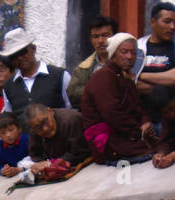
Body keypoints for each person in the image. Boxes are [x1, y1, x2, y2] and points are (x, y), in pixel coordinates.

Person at [82, 34, 159, 162]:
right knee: (157, 150)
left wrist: (145, 122)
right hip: (109, 140)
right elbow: (112, 114)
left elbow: (138, 106)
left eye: (133, 53)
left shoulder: (124, 77)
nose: (129, 57)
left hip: (128, 133)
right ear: (113, 54)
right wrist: (139, 132)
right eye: (124, 52)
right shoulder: (103, 76)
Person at [2, 27, 72, 117]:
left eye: (23, 52)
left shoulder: (60, 76)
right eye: (14, 56)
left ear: (33, 49)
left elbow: (72, 111)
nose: (19, 58)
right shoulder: (8, 87)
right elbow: (11, 120)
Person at [135, 2, 175, 121]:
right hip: (140, 118)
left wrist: (140, 75)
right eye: (167, 21)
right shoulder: (138, 47)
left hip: (168, 119)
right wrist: (163, 84)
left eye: (174, 22)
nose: (172, 27)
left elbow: (174, 78)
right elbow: (130, 82)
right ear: (153, 22)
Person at [69, 16, 120, 108]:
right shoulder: (83, 67)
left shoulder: (125, 62)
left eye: (105, 35)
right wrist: (99, 89)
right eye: (95, 37)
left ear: (115, 37)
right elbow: (73, 94)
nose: (100, 41)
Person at [25, 102, 92, 170]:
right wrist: (42, 165)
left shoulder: (70, 120)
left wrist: (51, 163)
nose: (45, 128)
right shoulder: (34, 131)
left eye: (45, 121)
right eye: (38, 127)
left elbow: (80, 151)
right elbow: (35, 154)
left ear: (50, 111)